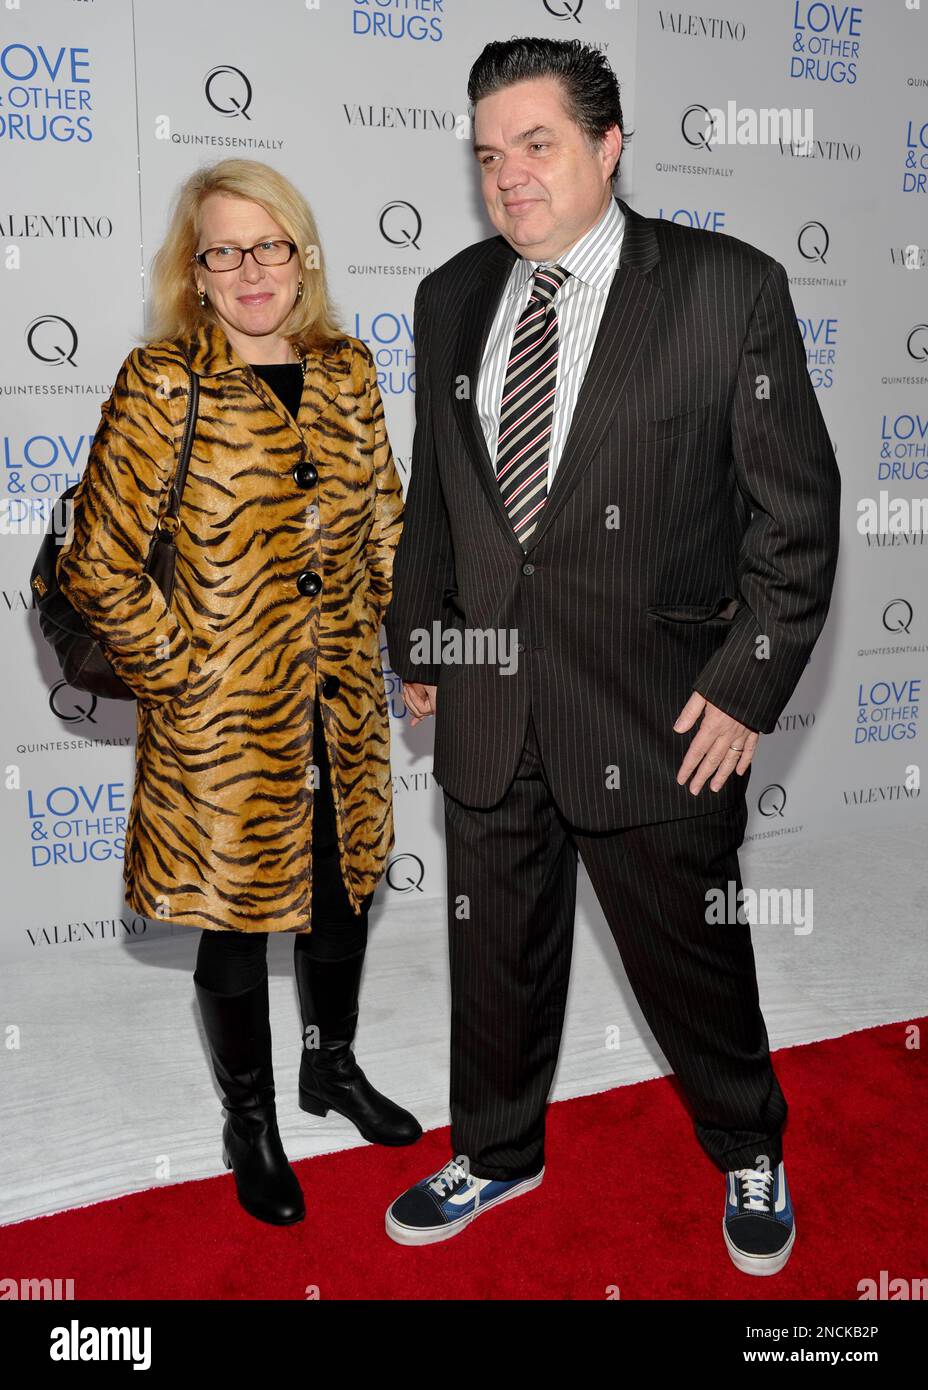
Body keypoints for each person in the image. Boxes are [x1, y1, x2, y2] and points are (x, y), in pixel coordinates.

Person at [383, 39, 840, 1273]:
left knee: (690, 958)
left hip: (657, 713)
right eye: (488, 155)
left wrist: (746, 685)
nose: (508, 177)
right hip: (487, 698)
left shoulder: (722, 289)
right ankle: (497, 1149)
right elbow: (441, 495)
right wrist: (421, 639)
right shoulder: (450, 297)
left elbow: (792, 515)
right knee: (496, 956)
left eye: (535, 145)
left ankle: (748, 1143)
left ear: (607, 145)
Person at [56, 158, 421, 1228]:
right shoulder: (163, 381)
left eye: (270, 244)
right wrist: (184, 678)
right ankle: (249, 1121)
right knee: (231, 924)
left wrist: (417, 654)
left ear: (301, 255)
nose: (251, 268)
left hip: (343, 700)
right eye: (224, 249)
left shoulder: (349, 371)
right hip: (221, 721)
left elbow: (388, 529)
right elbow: (99, 565)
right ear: (197, 271)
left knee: (341, 896)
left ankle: (331, 1069)